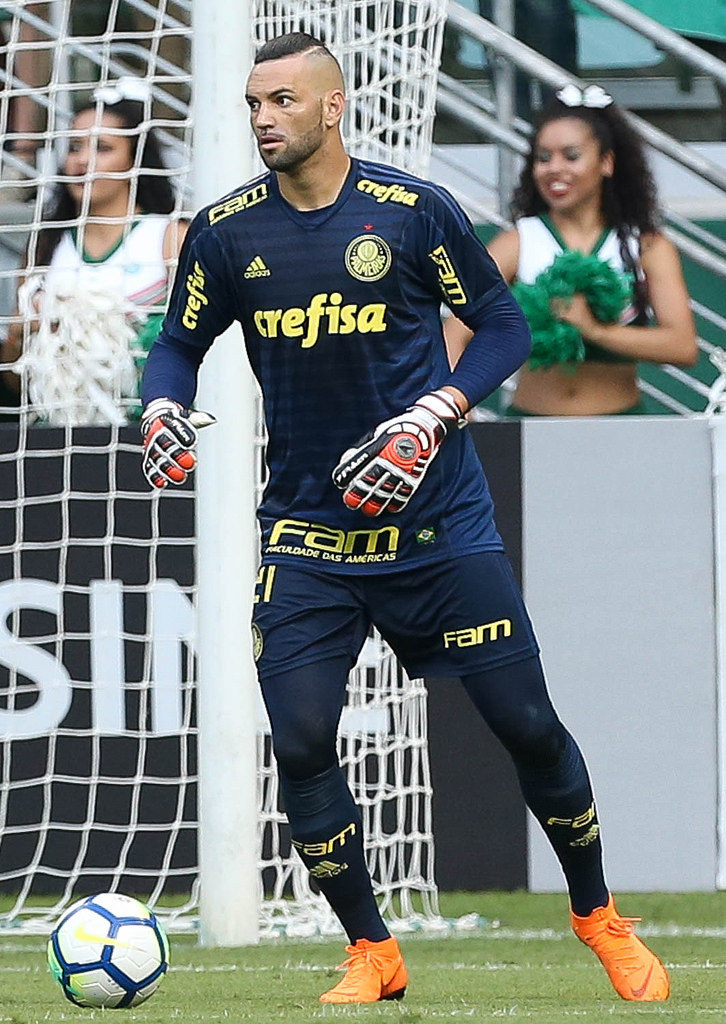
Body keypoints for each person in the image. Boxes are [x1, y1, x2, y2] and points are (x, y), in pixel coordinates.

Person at [140, 34, 670, 1006]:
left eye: (283, 100)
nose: (262, 117)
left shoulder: (413, 211)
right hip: (308, 532)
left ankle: (599, 913)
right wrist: (161, 407)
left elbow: (504, 325)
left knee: (529, 726)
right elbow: (176, 344)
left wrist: (434, 415)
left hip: (438, 527)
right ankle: (373, 950)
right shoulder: (225, 232)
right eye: (253, 102)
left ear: (333, 108)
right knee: (299, 740)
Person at [445, 84, 697, 416]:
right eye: (543, 157)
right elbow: (453, 332)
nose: (554, 169)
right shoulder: (517, 242)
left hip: (622, 429)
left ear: (606, 162)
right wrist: (455, 406)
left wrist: (595, 330)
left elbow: (682, 345)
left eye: (572, 156)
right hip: (529, 428)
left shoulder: (647, 247)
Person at [1, 78, 187, 423]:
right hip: (60, 441)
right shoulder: (46, 247)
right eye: (74, 148)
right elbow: (17, 385)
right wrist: (18, 338)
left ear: (137, 159)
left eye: (102, 148)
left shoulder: (170, 238)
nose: (82, 161)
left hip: (148, 434)